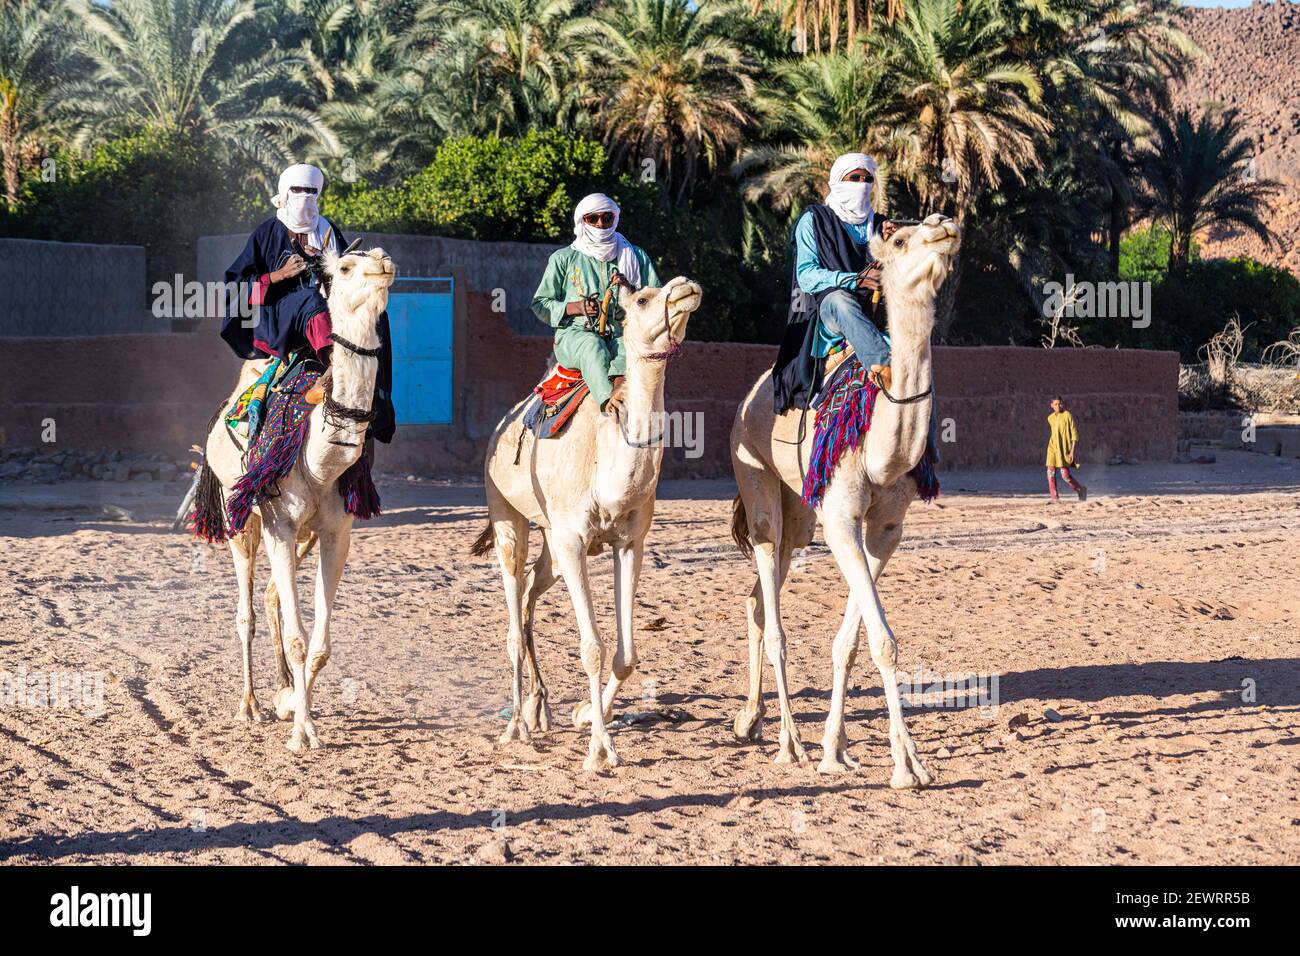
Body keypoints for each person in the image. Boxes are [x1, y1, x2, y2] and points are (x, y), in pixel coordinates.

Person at [769, 151, 938, 457]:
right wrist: (854, 279)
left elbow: (903, 274)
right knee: (840, 299)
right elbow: (807, 276)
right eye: (854, 178)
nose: (861, 184)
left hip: (873, 318)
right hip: (829, 314)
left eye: (867, 178)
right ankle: (883, 363)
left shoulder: (882, 225)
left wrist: (895, 245)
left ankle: (926, 447)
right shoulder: (814, 220)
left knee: (919, 351)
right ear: (837, 181)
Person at [222, 163, 394, 443]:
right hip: (280, 315)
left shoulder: (327, 230)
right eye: (298, 189)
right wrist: (279, 275)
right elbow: (236, 287)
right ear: (284, 193)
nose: (305, 196)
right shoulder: (267, 233)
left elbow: (344, 274)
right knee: (309, 300)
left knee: (377, 314)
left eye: (312, 190)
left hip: (327, 309)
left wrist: (329, 268)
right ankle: (334, 368)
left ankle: (377, 399)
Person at [531, 193, 661, 416]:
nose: (601, 224)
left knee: (631, 348)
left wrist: (630, 288)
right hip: (575, 335)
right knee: (593, 346)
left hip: (622, 332)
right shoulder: (563, 259)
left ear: (615, 219)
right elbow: (540, 304)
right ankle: (607, 406)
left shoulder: (635, 255)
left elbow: (656, 299)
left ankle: (623, 393)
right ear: (582, 221)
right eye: (593, 219)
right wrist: (575, 307)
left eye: (607, 218)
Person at [1046, 396, 1087, 501]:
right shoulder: (1050, 418)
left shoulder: (1067, 415)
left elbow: (1074, 434)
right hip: (1052, 448)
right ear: (1051, 406)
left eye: (1060, 404)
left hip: (1065, 450)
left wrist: (1072, 451)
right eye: (1055, 404)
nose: (1058, 406)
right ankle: (1055, 498)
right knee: (1050, 472)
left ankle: (1080, 490)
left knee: (1065, 475)